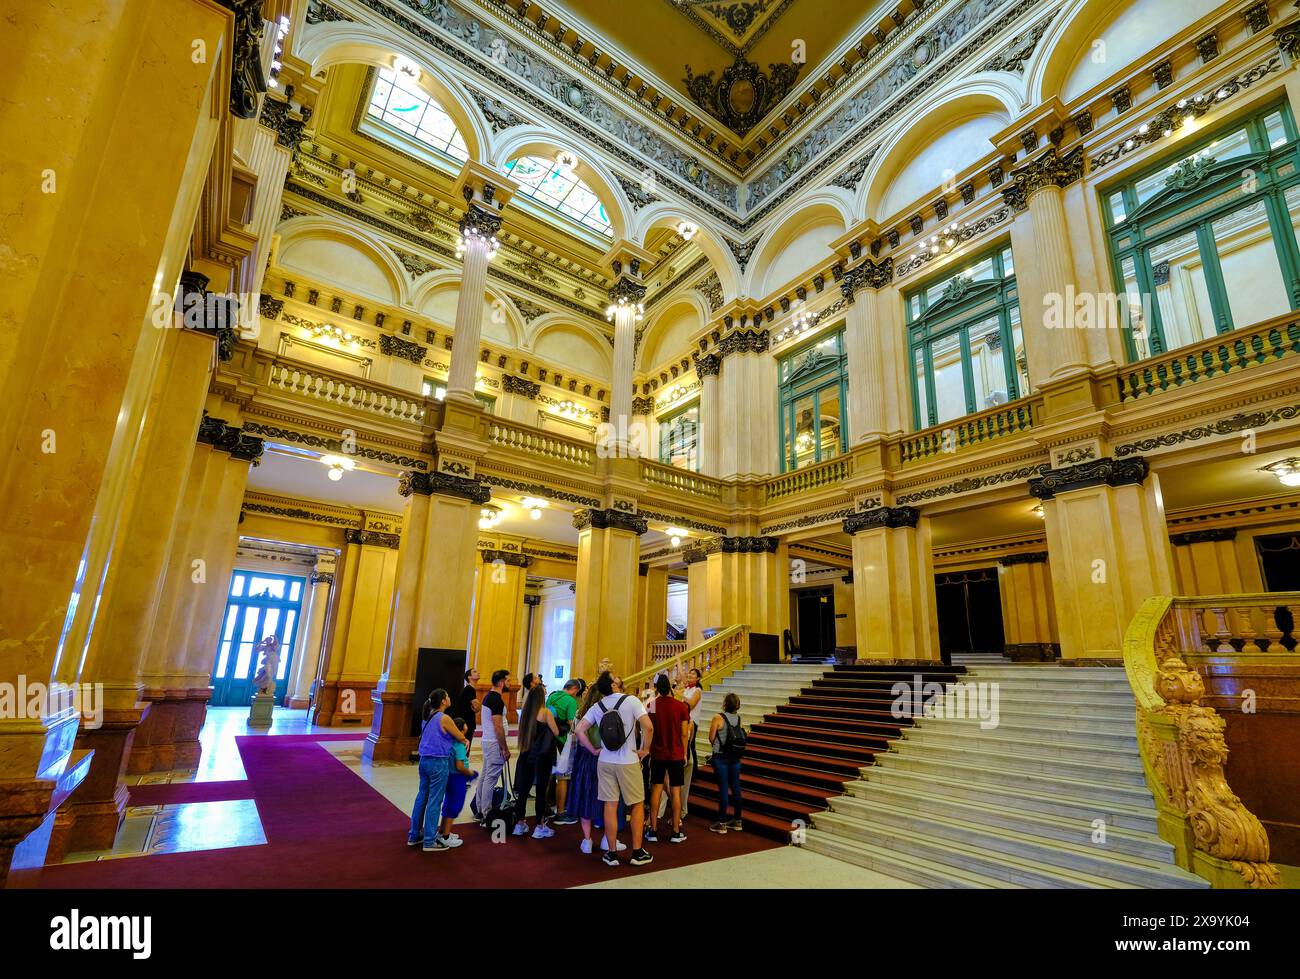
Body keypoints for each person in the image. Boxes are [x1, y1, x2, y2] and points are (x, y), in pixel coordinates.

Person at [575, 670, 654, 868]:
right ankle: (637, 851)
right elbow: (648, 726)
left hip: (605, 760)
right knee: (636, 804)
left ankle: (611, 853)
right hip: (628, 760)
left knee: (610, 805)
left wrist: (593, 750)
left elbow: (579, 730)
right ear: (613, 684)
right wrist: (645, 749)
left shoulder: (597, 705)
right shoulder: (632, 701)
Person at [408, 688, 469, 851]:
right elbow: (460, 736)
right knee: (435, 801)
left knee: (422, 797)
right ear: (443, 701)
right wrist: (464, 740)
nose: (449, 698)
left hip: (424, 760)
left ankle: (414, 835)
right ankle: (429, 840)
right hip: (438, 762)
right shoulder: (444, 718)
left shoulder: (427, 717)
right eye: (447, 696)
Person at [569, 682, 620, 855]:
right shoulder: (604, 712)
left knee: (585, 796)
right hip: (601, 755)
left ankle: (587, 840)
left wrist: (588, 749)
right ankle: (607, 838)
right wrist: (594, 749)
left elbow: (575, 731)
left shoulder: (580, 712)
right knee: (608, 799)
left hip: (583, 757)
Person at [512, 681, 561, 838]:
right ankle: (539, 826)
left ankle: (520, 824)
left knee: (524, 791)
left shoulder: (525, 713)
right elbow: (556, 731)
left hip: (526, 754)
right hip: (542, 756)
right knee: (541, 791)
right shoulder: (545, 713)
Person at [646, 674, 691, 844]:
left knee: (656, 789)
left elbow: (650, 730)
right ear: (671, 688)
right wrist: (685, 753)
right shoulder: (680, 707)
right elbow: (684, 733)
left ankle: (653, 830)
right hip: (676, 753)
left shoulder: (652, 705)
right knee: (676, 790)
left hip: (658, 753)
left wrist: (649, 751)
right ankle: (675, 831)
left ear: (657, 688)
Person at [472, 670, 511, 820]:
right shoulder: (495, 700)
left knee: (485, 776)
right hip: (494, 743)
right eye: (507, 680)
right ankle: (486, 812)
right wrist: (504, 748)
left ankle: (480, 807)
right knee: (491, 778)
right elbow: (498, 727)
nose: (509, 683)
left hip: (488, 741)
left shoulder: (489, 696)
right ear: (501, 682)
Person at [547, 678, 583, 825]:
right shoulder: (570, 701)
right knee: (564, 775)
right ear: (574, 688)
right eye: (577, 692)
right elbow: (571, 723)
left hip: (549, 738)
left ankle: (549, 803)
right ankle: (562, 810)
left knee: (551, 773)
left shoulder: (552, 696)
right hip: (563, 740)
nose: (577, 695)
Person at [707, 692, 744, 834]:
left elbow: (711, 738)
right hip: (735, 757)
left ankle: (721, 822)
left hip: (720, 756)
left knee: (723, 788)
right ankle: (737, 820)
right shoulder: (738, 718)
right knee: (735, 787)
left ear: (725, 704)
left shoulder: (718, 717)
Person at [439, 718, 478, 846]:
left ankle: (442, 831)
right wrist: (471, 773)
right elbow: (460, 766)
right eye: (466, 723)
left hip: (449, 776)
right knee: (455, 805)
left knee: (448, 803)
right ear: (462, 729)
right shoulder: (460, 745)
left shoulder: (450, 742)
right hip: (458, 778)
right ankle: (446, 837)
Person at [679, 668, 703, 817]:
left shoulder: (697, 691)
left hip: (693, 721)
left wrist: (681, 695)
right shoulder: (687, 688)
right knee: (689, 746)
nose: (690, 676)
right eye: (690, 674)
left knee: (691, 746)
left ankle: (693, 773)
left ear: (699, 678)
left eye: (693, 674)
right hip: (685, 720)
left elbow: (691, 704)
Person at [451, 669, 480, 751]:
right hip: (465, 724)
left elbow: (476, 709)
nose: (478, 673)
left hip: (465, 723)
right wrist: (478, 705)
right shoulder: (469, 689)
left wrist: (477, 706)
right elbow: (477, 708)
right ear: (469, 677)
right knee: (464, 750)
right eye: (474, 672)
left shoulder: (470, 689)